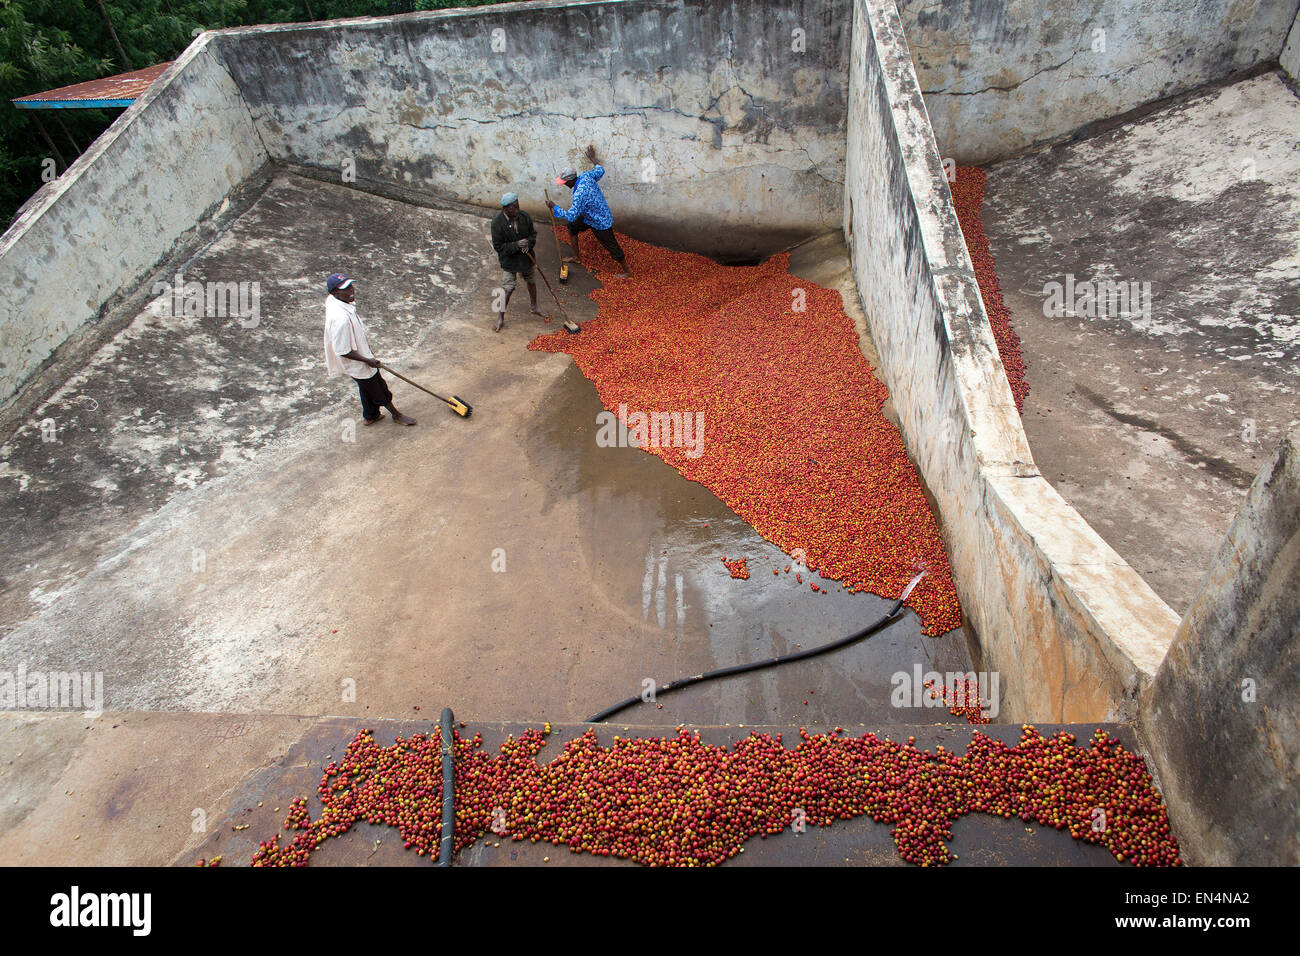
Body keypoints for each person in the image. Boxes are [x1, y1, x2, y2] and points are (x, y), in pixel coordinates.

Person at [323, 273, 416, 427]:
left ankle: (371, 415)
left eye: (350, 286)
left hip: (361, 354)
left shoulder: (336, 301)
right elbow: (342, 350)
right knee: (379, 389)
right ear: (334, 292)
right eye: (345, 289)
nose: (350, 290)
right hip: (357, 361)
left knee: (366, 388)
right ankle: (396, 415)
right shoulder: (341, 319)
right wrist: (368, 360)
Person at [547, 145, 630, 276]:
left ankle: (627, 272)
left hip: (600, 221)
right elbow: (600, 170)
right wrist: (593, 158)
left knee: (611, 245)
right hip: (588, 216)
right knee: (572, 227)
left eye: (564, 182)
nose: (564, 184)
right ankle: (577, 257)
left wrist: (554, 206)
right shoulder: (585, 176)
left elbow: (571, 215)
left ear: (570, 180)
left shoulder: (580, 193)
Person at [489, 192, 547, 332]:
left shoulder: (524, 217)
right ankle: (500, 317)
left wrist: (528, 243)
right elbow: (499, 247)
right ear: (505, 208)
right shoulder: (497, 224)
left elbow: (533, 234)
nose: (517, 210)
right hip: (509, 261)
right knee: (508, 289)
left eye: (517, 207)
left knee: (531, 281)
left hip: (526, 258)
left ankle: (534, 307)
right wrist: (516, 245)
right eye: (513, 208)